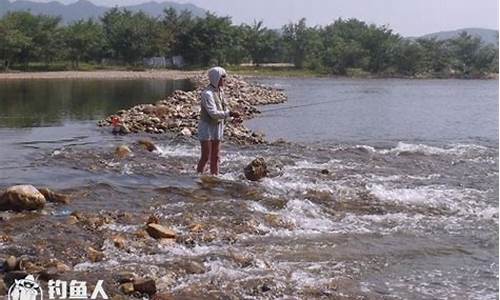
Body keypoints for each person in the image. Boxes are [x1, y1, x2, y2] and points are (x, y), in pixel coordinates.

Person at [196, 67, 240, 175]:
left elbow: (224, 109)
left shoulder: (220, 91)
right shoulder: (207, 94)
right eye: (222, 78)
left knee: (216, 156)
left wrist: (232, 117)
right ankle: (197, 177)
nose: (225, 80)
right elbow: (213, 113)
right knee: (206, 156)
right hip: (206, 128)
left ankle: (215, 178)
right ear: (216, 78)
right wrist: (229, 114)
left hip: (217, 127)